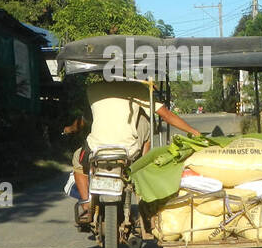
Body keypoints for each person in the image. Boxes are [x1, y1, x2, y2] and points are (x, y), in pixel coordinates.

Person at [70, 78, 200, 225]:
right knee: (146, 121)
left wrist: (71, 129)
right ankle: (140, 167)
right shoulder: (137, 89)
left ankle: (86, 204)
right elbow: (166, 115)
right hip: (128, 150)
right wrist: (195, 133)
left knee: (77, 162)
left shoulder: (92, 89)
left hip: (96, 149)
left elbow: (85, 119)